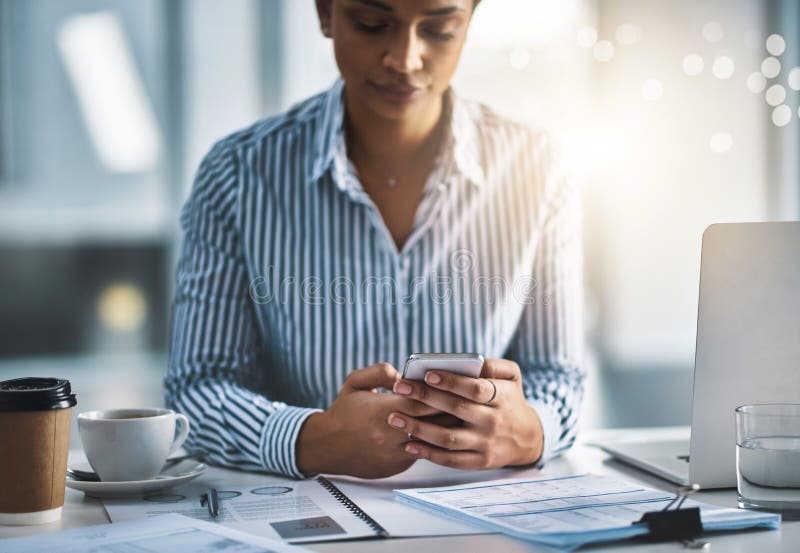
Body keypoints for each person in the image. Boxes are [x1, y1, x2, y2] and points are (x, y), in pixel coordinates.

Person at [165, 0, 584, 479]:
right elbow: (197, 388)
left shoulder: (538, 169)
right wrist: (311, 439)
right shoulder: (238, 174)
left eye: (440, 29)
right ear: (325, 13)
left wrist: (532, 430)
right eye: (372, 24)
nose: (404, 59)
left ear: (470, 21)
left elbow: (560, 379)